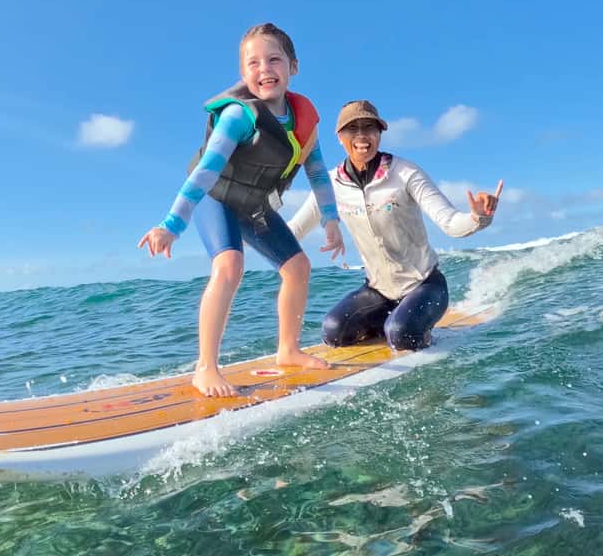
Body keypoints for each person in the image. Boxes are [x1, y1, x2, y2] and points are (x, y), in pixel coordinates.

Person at [138, 23, 344, 397]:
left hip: (253, 204)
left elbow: (316, 172)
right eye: (253, 63)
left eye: (274, 59)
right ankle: (205, 368)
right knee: (229, 266)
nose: (264, 69)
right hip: (216, 196)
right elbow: (205, 173)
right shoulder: (238, 116)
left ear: (294, 66)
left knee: (298, 268)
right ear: (243, 72)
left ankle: (288, 350)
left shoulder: (305, 121)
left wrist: (331, 220)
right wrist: (171, 225)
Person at [288, 99, 502, 352]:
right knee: (334, 332)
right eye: (352, 128)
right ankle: (393, 322)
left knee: (401, 334)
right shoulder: (331, 185)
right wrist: (249, 230)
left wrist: (478, 217)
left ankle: (409, 329)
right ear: (339, 136)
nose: (361, 135)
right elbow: (294, 230)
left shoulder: (406, 173)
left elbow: (450, 223)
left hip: (425, 285)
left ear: (380, 133)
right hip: (379, 291)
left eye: (370, 127)